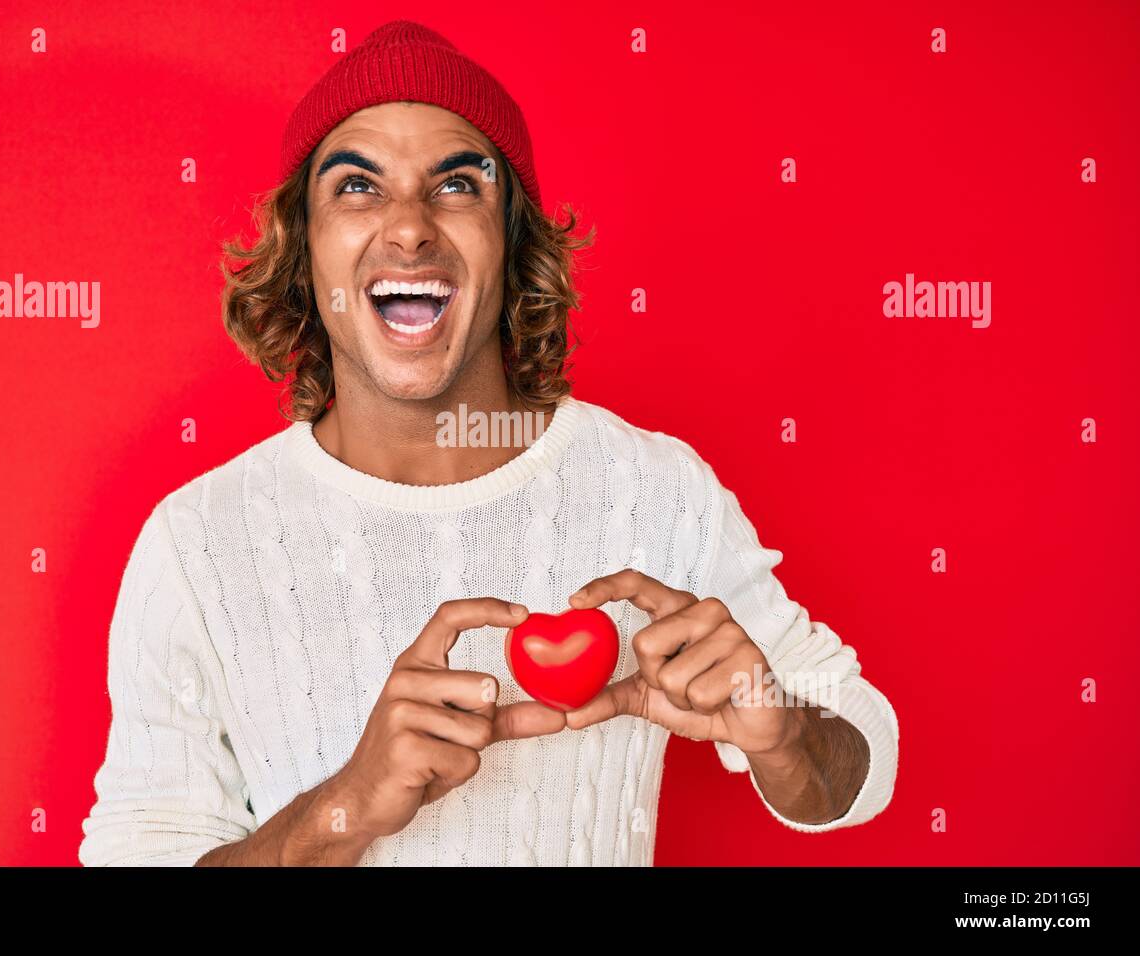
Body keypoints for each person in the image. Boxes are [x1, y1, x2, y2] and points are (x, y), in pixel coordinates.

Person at [78, 19, 898, 867]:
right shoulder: (198, 543)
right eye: (357, 187)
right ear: (302, 250)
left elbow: (864, 761)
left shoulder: (657, 491)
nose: (408, 229)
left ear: (513, 243)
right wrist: (346, 808)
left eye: (457, 185)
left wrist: (782, 729)